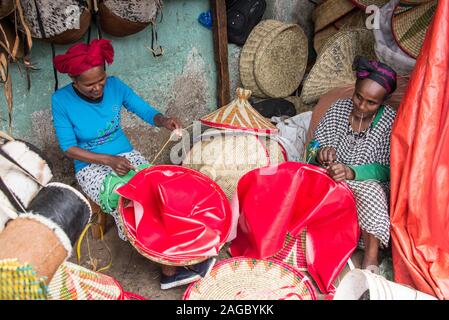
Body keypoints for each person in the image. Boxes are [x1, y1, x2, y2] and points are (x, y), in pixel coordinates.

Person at [51, 39, 215, 290]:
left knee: (158, 190)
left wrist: (163, 120)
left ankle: (180, 249)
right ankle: (168, 268)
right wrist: (108, 160)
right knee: (128, 200)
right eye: (89, 85)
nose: (97, 88)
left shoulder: (115, 87)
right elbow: (69, 148)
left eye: (101, 80)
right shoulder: (61, 100)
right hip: (90, 166)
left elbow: (144, 110)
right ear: (74, 82)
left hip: (125, 155)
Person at [306, 56, 397, 273]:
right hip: (332, 178)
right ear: (354, 90)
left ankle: (371, 258)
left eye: (371, 102)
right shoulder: (338, 109)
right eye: (358, 97)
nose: (362, 106)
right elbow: (313, 147)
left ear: (382, 101)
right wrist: (320, 153)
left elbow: (387, 170)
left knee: (371, 191)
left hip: (366, 184)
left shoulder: (389, 121)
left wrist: (351, 172)